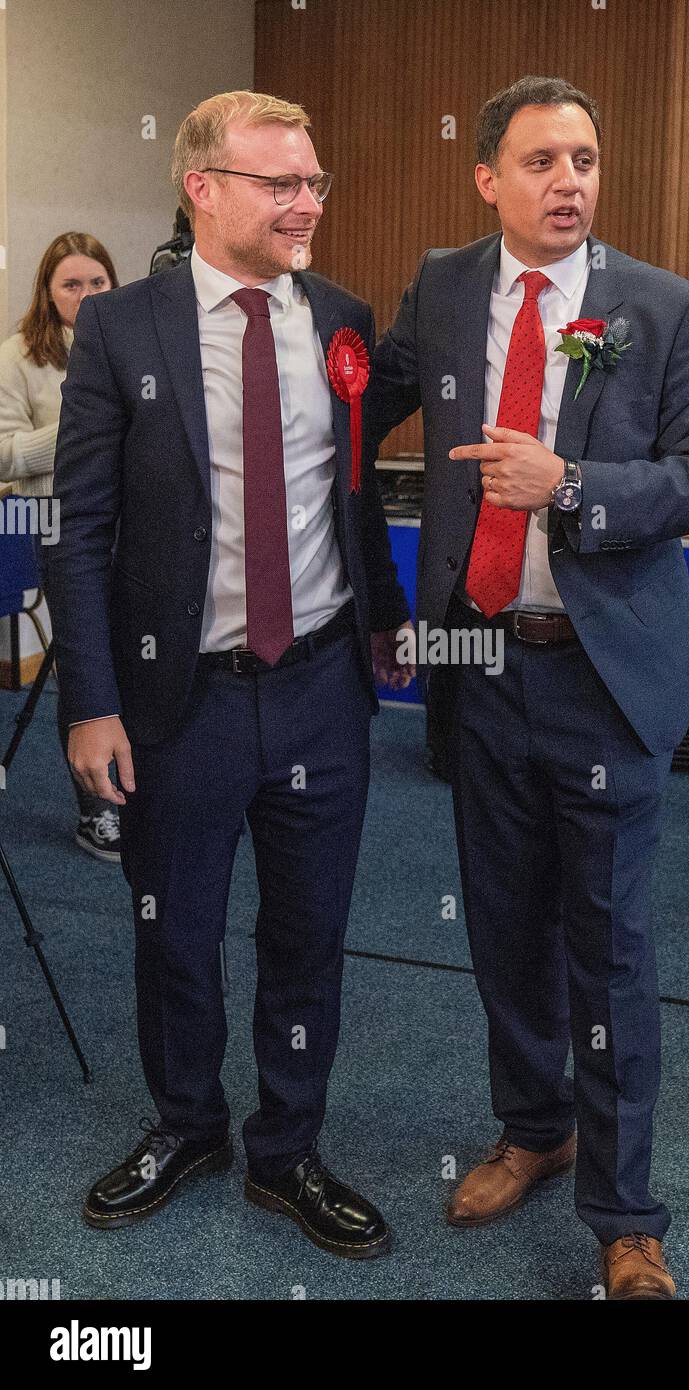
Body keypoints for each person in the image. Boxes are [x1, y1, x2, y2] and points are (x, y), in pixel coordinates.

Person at [365, 74, 689, 1299]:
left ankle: (627, 1215)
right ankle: (535, 1127)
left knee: (611, 946)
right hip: (477, 665)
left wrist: (574, 484)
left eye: (583, 158)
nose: (568, 181)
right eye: (540, 162)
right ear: (488, 179)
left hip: (603, 671)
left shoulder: (666, 308)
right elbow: (352, 414)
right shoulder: (443, 286)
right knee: (504, 927)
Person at [46, 90, 413, 1256]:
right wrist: (91, 700)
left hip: (318, 691)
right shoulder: (125, 330)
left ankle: (289, 1147)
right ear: (202, 187)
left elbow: (354, 500)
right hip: (175, 697)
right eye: (281, 183)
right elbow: (81, 526)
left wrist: (389, 624)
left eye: (315, 182)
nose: (308, 203)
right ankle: (187, 1121)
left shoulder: (342, 323)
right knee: (176, 928)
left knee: (308, 933)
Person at [0, 232, 122, 860]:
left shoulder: (135, 343)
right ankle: (97, 811)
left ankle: (140, 793)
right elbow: (3, 452)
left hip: (134, 526)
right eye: (70, 284)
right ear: (47, 292)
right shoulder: (19, 356)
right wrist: (79, 429)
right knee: (85, 659)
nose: (85, 294)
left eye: (96, 282)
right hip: (57, 526)